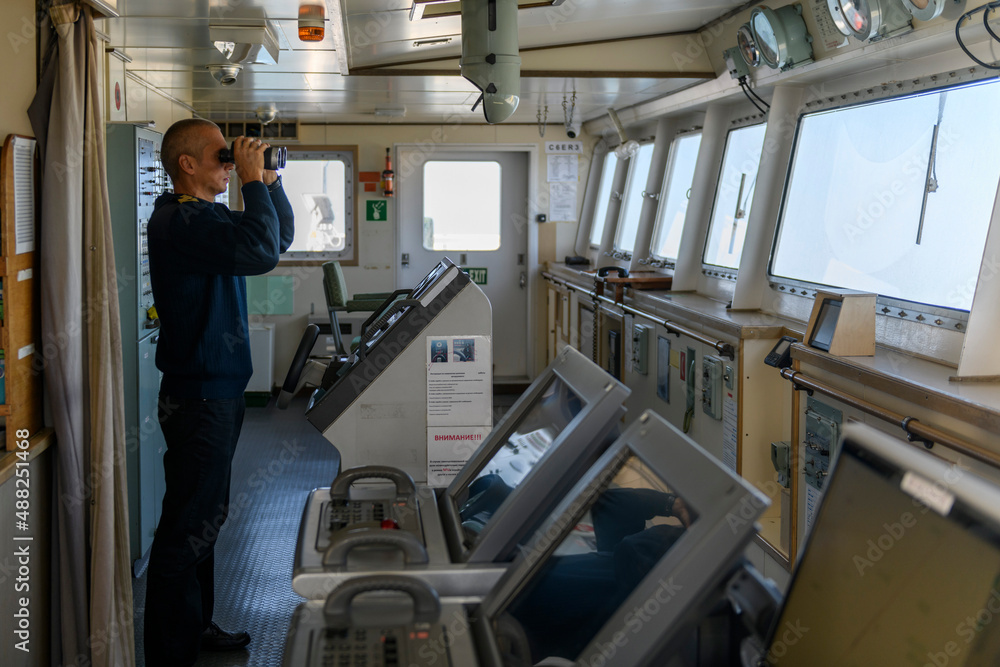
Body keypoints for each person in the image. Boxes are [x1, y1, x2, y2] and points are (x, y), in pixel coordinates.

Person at [143, 119, 294, 667]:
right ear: (187, 164)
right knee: (187, 528)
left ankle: (194, 626)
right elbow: (261, 253)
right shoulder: (180, 220)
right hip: (200, 398)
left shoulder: (204, 216)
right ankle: (170, 654)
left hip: (216, 393)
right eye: (220, 156)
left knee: (203, 521)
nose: (230, 163)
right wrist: (252, 182)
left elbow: (275, 239)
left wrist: (270, 183)